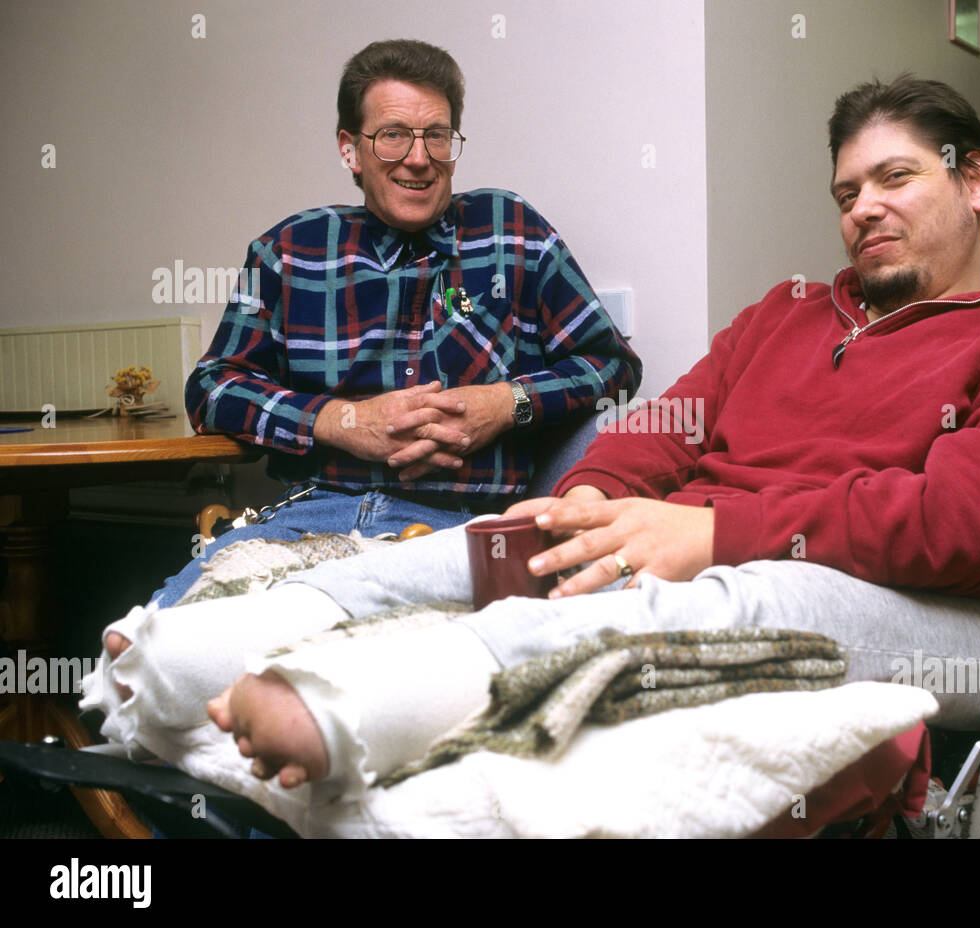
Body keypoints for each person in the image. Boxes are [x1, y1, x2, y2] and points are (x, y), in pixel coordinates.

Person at [85, 75, 980, 803]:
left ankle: (364, 706)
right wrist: (587, 497)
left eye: (895, 179)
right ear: (351, 150)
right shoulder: (788, 313)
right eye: (847, 193)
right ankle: (191, 656)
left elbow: (973, 523)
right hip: (720, 544)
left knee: (746, 594)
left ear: (976, 180)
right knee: (507, 539)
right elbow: (666, 426)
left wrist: (714, 532)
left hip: (939, 605)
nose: (863, 209)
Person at [153, 39, 640, 607]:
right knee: (159, 639)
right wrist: (338, 421)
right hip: (307, 523)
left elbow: (613, 366)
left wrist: (507, 403)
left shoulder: (512, 231)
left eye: (437, 135)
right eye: (393, 135)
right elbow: (212, 390)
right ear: (350, 150)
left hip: (462, 529)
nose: (419, 157)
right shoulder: (290, 250)